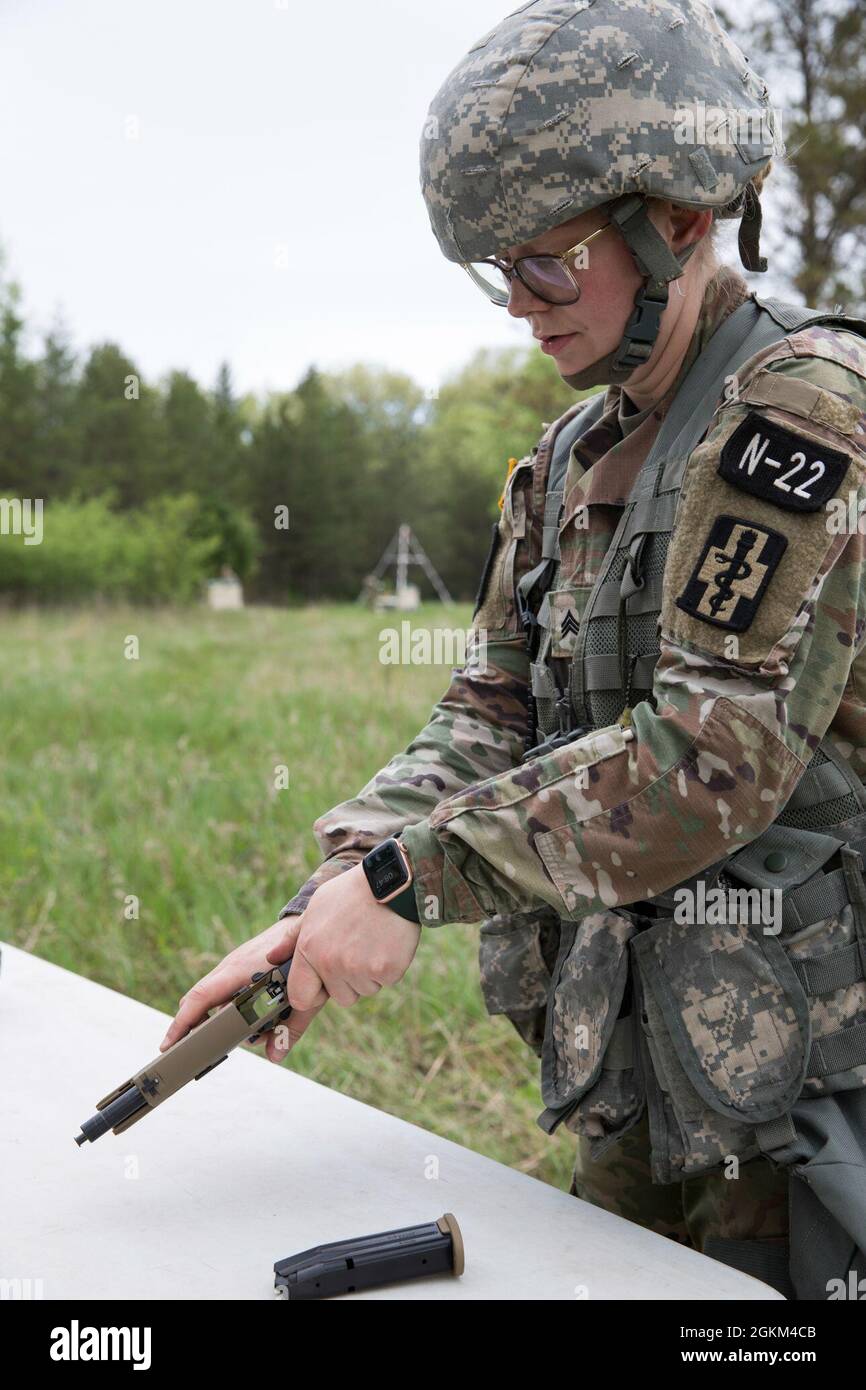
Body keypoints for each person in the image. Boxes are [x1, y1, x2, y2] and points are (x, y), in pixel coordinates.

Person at [160, 0, 866, 1298]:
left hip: (806, 1089)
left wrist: (406, 881)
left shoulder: (799, 417)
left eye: (547, 264)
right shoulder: (566, 459)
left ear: (682, 223)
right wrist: (324, 897)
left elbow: (714, 754)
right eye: (497, 272)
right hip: (635, 1063)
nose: (517, 308)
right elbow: (488, 706)